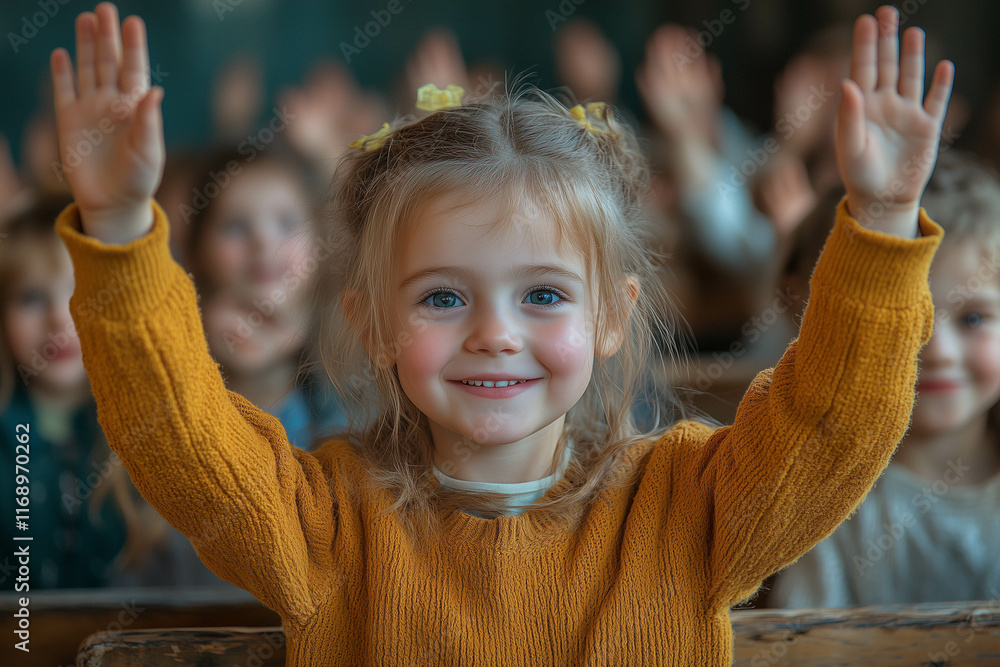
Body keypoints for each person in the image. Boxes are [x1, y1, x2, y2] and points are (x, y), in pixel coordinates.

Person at [47, 3, 952, 663]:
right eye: (443, 298)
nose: (494, 334)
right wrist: (122, 229)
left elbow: (830, 429)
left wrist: (880, 216)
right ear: (371, 326)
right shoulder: (327, 521)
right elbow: (179, 437)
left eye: (544, 297)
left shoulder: (684, 506)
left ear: (612, 319)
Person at [766, 152, 1000, 608]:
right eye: (902, 321)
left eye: (973, 318)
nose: (939, 351)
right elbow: (810, 651)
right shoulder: (826, 495)